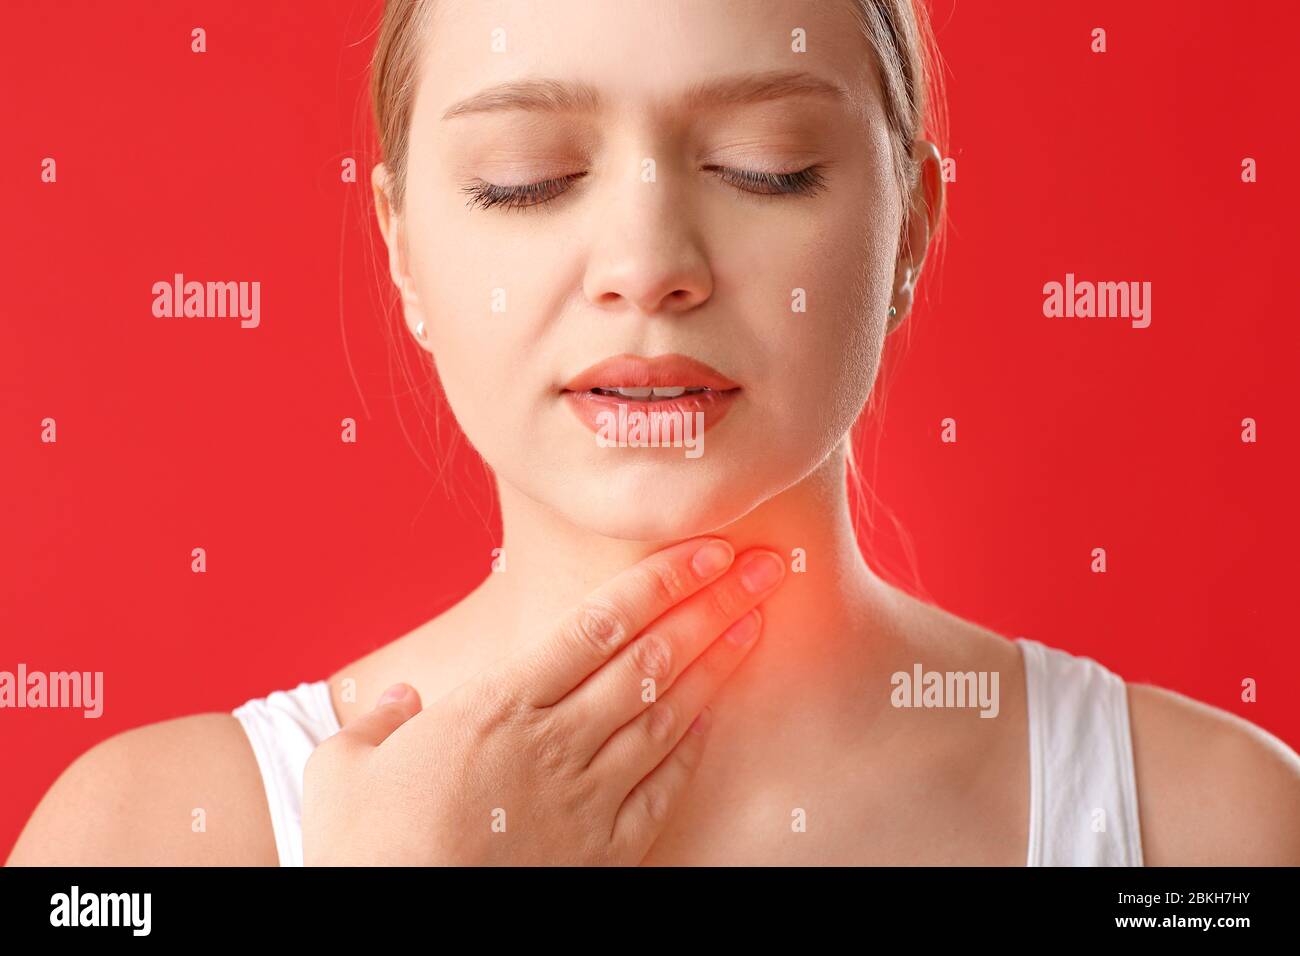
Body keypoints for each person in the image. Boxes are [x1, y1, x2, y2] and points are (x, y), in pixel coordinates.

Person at [9, 0, 1300, 867]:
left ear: (908, 227)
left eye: (763, 164)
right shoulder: (146, 839)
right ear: (401, 247)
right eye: (529, 177)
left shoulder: (1210, 825)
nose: (646, 265)